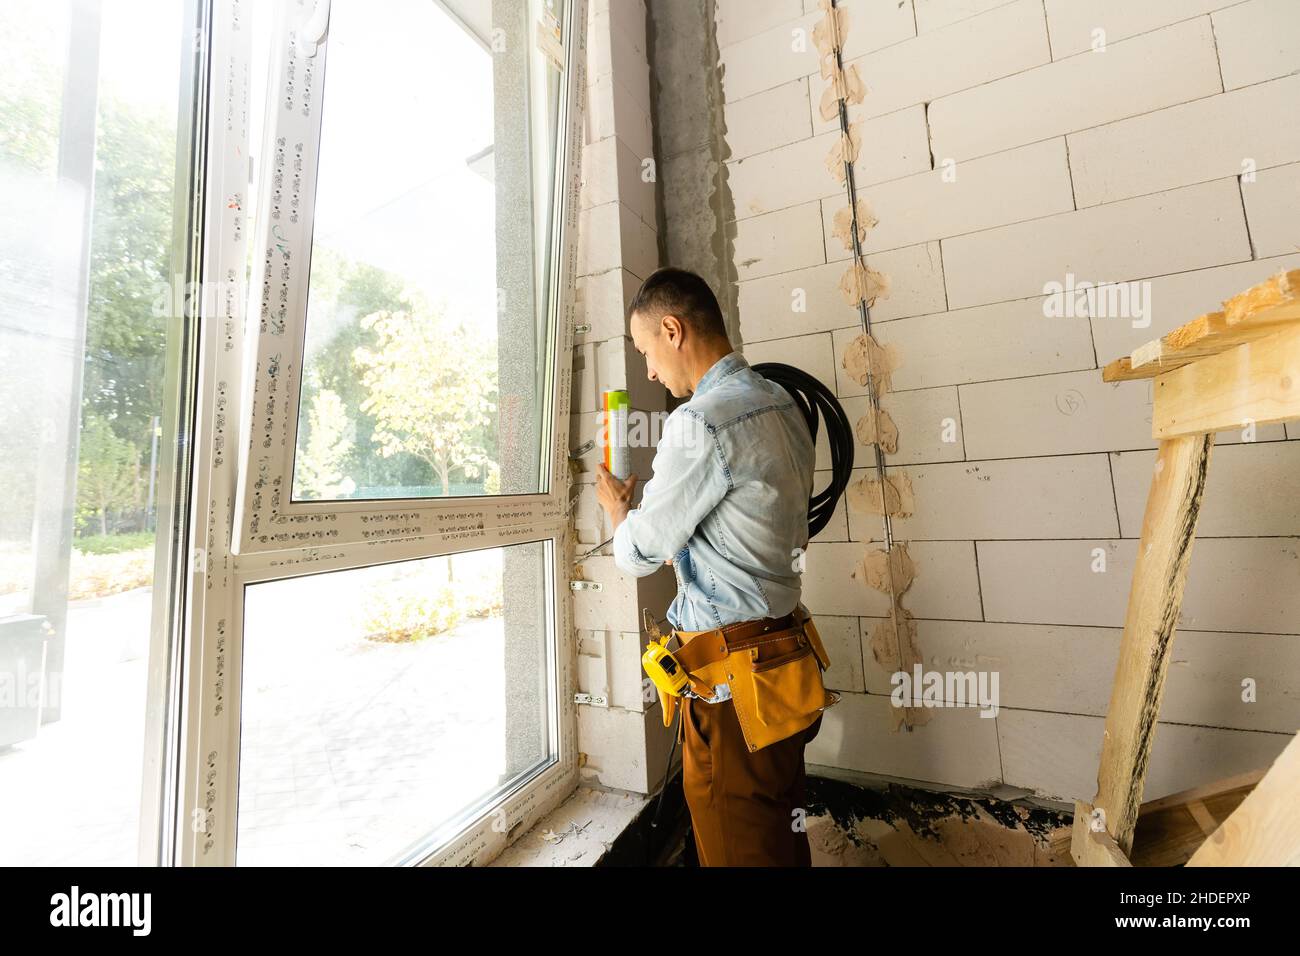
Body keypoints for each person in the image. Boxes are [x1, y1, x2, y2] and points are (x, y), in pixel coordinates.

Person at [594, 266, 824, 867]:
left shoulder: (699, 422)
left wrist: (620, 515)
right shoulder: (782, 404)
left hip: (732, 692)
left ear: (672, 330)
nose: (648, 369)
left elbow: (640, 552)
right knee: (776, 838)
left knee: (735, 849)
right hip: (783, 670)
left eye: (646, 350)